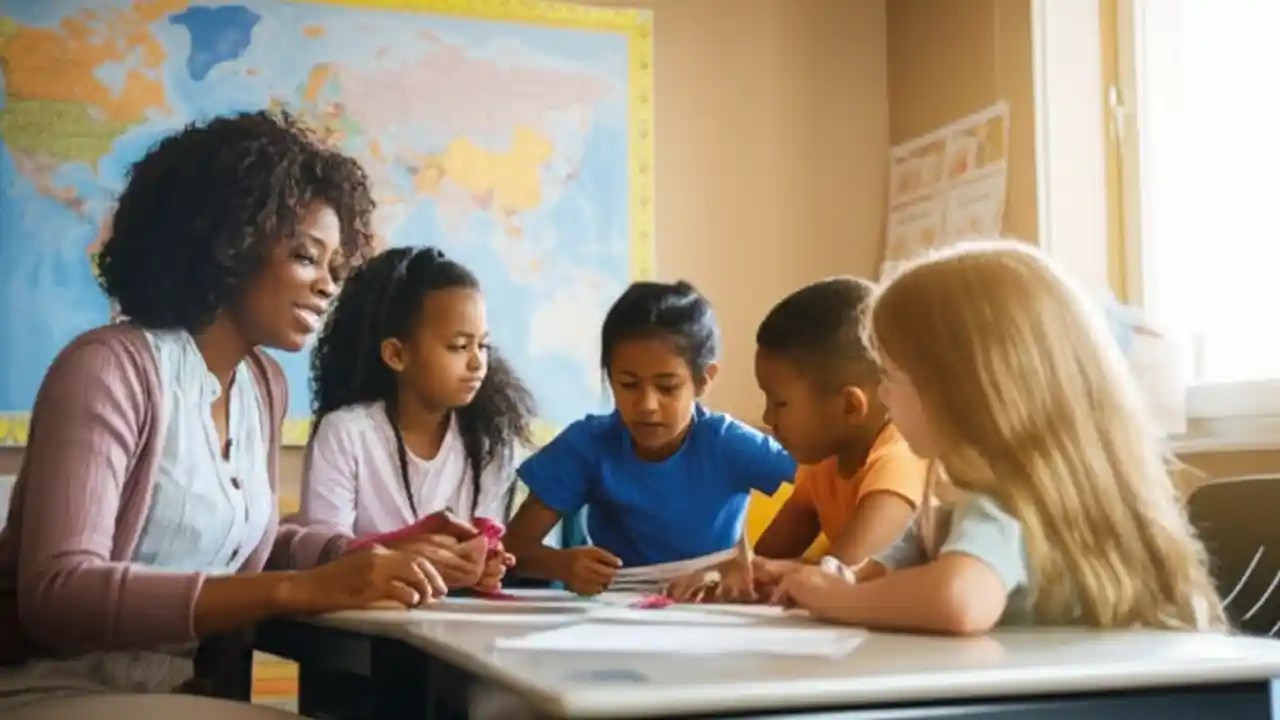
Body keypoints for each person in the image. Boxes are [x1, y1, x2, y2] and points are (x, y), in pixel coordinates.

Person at [0, 112, 473, 717]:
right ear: (229, 240)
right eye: (307, 256)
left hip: (166, 695)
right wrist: (294, 591)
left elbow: (248, 545)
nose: (329, 286)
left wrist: (379, 551)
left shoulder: (260, 387)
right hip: (53, 687)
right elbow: (58, 593)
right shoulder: (109, 368)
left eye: (335, 267)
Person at [771, 240, 1226, 633]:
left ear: (962, 392)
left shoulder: (1010, 503)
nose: (883, 394)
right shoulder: (965, 499)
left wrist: (837, 601)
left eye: (891, 375)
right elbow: (885, 568)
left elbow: (959, 600)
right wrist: (828, 581)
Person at [504, 281, 796, 596]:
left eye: (667, 387)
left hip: (713, 604)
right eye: (628, 384)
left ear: (703, 381)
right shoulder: (588, 445)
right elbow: (513, 548)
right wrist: (560, 565)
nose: (646, 405)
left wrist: (750, 561)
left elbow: (827, 480)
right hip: (618, 609)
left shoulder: (728, 443)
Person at [667, 277, 928, 601]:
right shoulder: (824, 464)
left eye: (780, 403)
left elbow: (842, 577)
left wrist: (767, 572)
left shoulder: (896, 461)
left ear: (849, 406)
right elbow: (767, 559)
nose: (767, 418)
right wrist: (728, 570)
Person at [300, 246, 535, 593]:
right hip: (363, 628)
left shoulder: (489, 441)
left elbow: (482, 545)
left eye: (482, 346)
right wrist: (400, 553)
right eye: (458, 346)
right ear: (396, 354)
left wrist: (484, 568)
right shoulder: (346, 433)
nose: (477, 363)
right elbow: (319, 555)